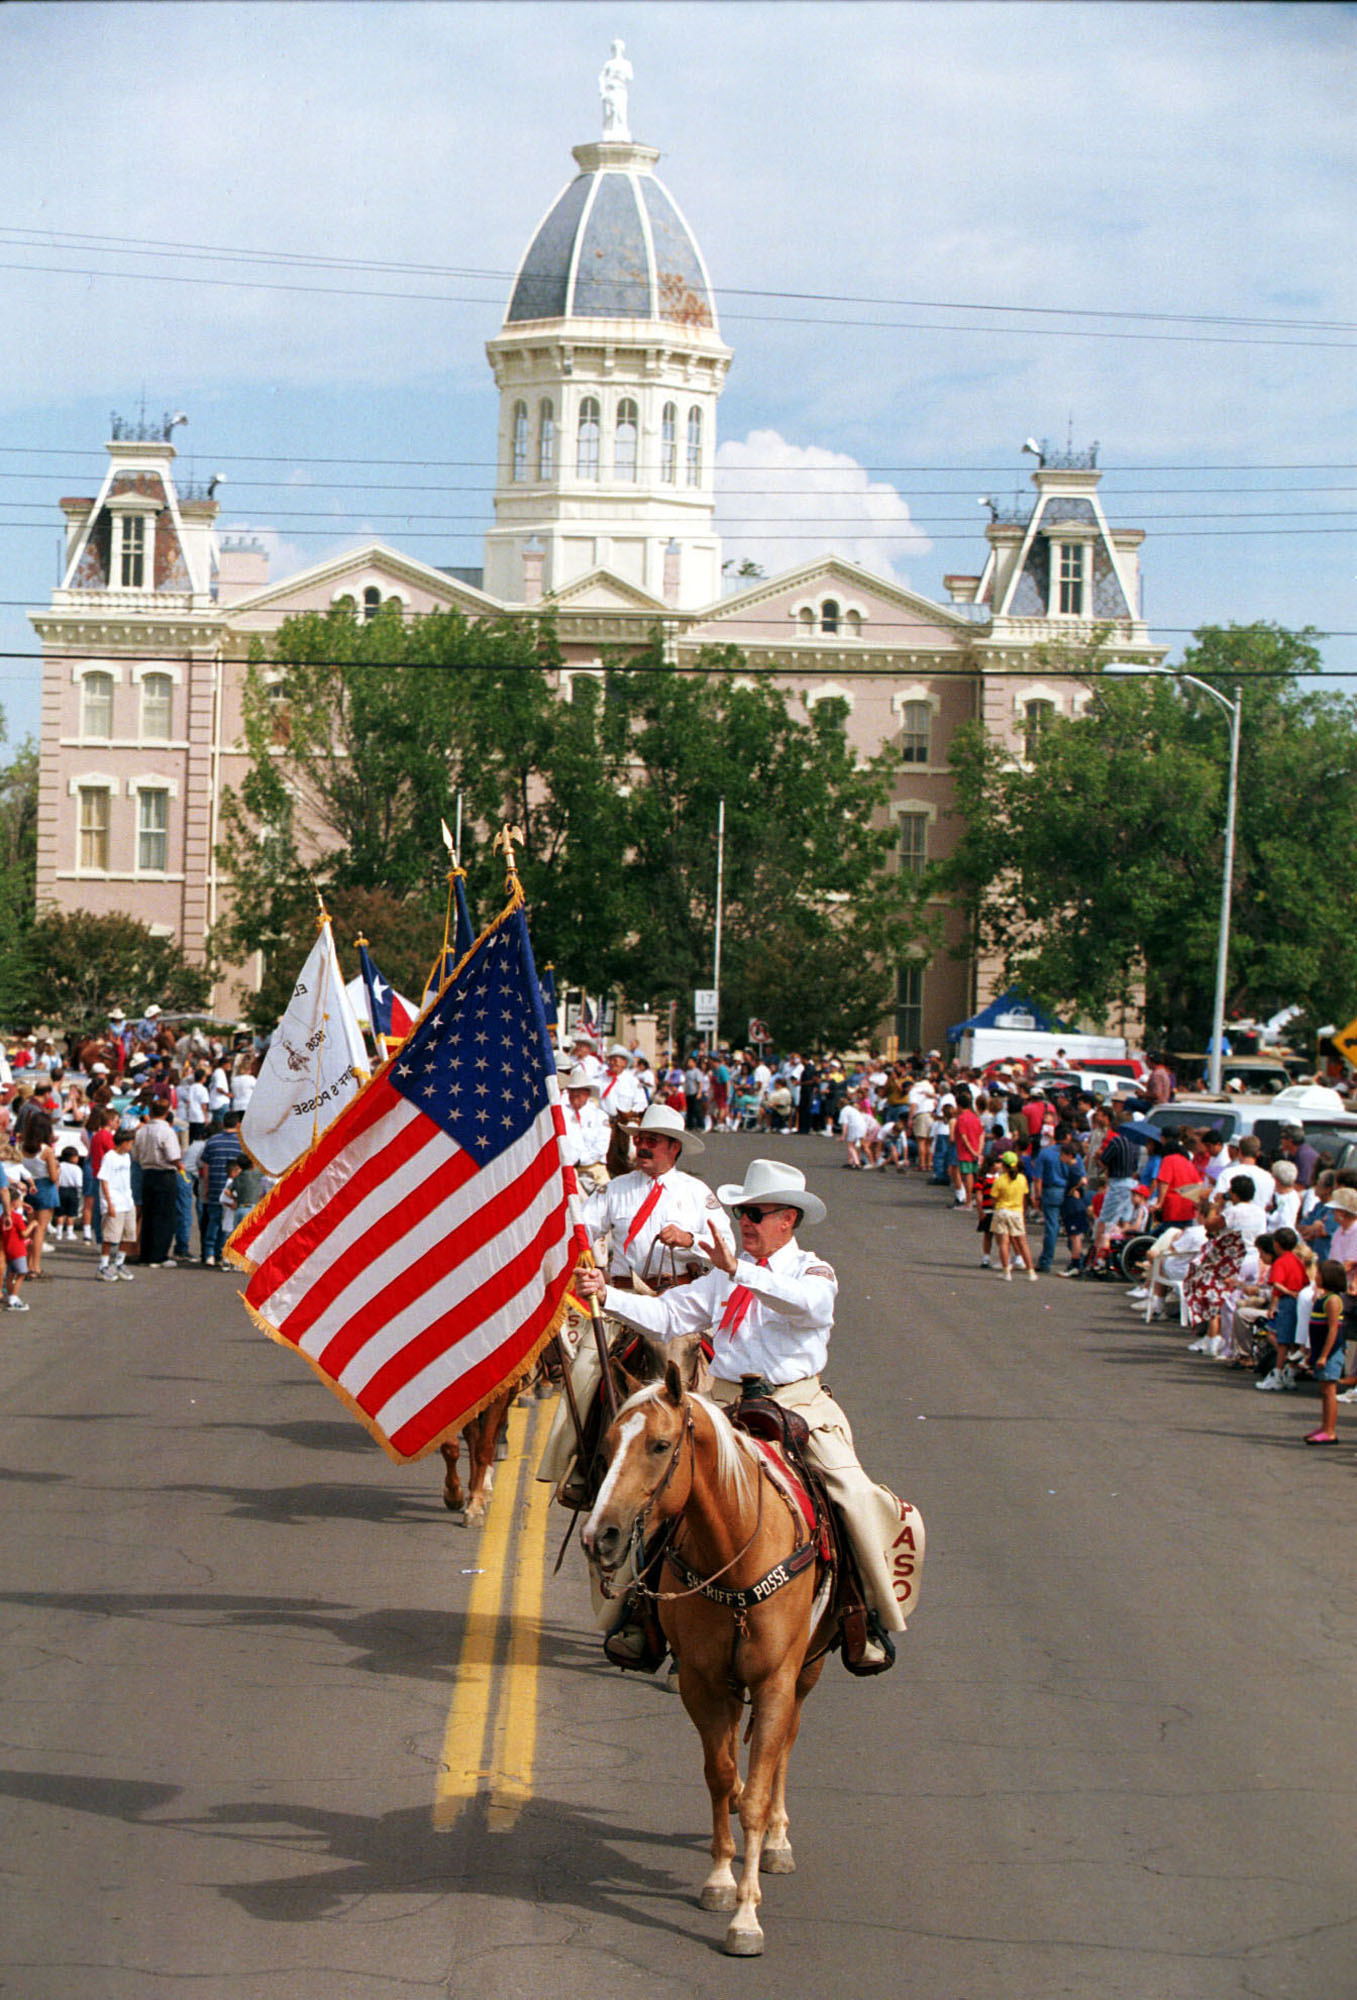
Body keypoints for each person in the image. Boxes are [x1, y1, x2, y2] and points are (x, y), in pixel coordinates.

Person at [576, 1158, 921, 1672]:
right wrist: (608, 1296)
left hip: (797, 1406)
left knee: (853, 1495)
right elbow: (671, 1314)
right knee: (657, 1495)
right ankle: (638, 1613)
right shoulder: (723, 1277)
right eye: (742, 1213)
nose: (746, 1223)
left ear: (789, 1220)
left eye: (757, 1213)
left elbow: (809, 1308)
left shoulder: (813, 1271)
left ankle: (863, 1614)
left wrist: (740, 1271)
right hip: (724, 1405)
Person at [537, 1101, 735, 1503]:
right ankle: (575, 1466)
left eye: (652, 1141)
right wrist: (576, 1244)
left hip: (682, 1300)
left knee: (729, 1376)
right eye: (640, 1139)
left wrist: (691, 1240)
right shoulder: (615, 1189)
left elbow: (727, 1249)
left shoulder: (698, 1194)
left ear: (673, 1148)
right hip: (622, 1300)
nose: (642, 1147)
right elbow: (582, 1231)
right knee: (585, 1372)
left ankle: (721, 1470)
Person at [1303, 1259, 1351, 1444]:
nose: (1316, 1277)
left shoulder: (1332, 1300)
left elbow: (1333, 1329)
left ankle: (1330, 1430)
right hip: (1320, 1349)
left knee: (1330, 1390)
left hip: (1330, 1352)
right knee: (1324, 1390)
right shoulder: (1323, 1298)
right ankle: (1324, 1426)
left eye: (1319, 1274)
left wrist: (1324, 1355)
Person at [132, 1098, 182, 1266]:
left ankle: (145, 1253)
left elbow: (136, 1156)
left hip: (147, 1173)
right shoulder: (167, 1131)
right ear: (166, 1112)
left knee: (149, 1215)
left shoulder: (142, 1131)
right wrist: (180, 1165)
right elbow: (173, 1155)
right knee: (165, 1216)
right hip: (164, 1173)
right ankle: (159, 1255)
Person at [198, 1112, 244, 1268]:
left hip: (215, 1186)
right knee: (228, 1225)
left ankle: (209, 1253)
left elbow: (205, 1165)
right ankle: (222, 1254)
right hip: (233, 1191)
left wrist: (206, 1186)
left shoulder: (212, 1141)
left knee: (213, 1222)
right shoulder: (242, 1143)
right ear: (238, 1124)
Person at [96, 1127, 138, 1281]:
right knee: (110, 1236)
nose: (131, 1147)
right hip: (114, 1202)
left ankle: (119, 1263)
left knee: (128, 1234)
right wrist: (109, 1204)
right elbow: (104, 1181)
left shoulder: (127, 1157)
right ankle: (103, 1266)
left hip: (127, 1201)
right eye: (130, 1143)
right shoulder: (109, 1157)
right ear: (124, 1142)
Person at [989, 1150, 1037, 1281]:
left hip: (1002, 1210)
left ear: (1003, 1165)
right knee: (1023, 1243)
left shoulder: (1000, 1180)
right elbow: (1024, 1197)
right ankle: (1031, 1271)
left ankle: (1006, 1272)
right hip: (1016, 1211)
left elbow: (993, 1199)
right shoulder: (1022, 1179)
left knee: (1004, 1243)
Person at [4, 1197, 34, 1310]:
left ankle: (10, 1296)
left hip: (8, 1249)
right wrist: (33, 1224)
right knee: (22, 1273)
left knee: (10, 1274)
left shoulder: (3, 1217)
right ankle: (13, 1299)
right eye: (18, 1200)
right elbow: (24, 1233)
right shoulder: (16, 1217)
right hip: (18, 1250)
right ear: (13, 1202)